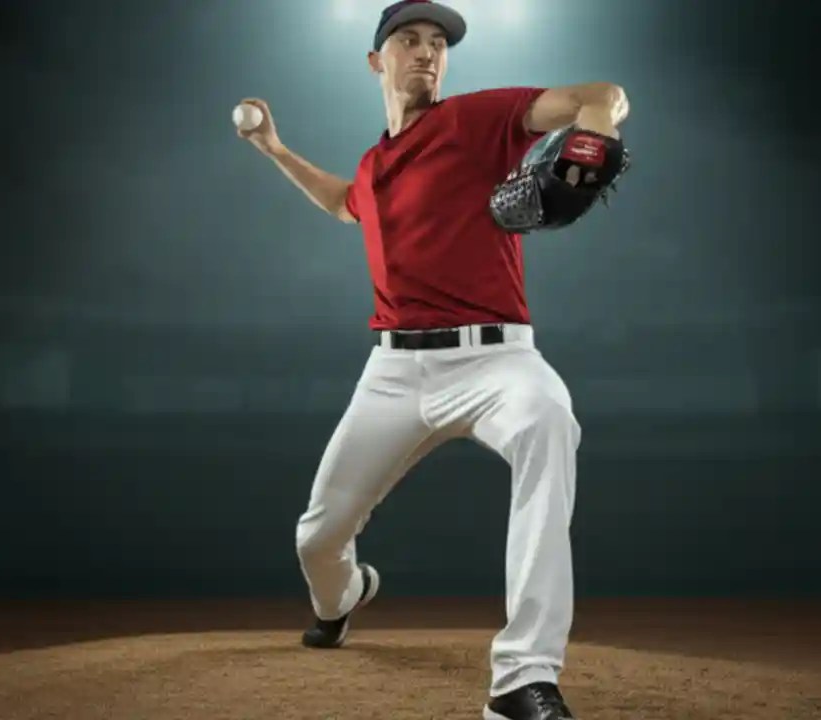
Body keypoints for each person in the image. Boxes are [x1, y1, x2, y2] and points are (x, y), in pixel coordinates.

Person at [236, 2, 629, 718]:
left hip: (497, 361)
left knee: (549, 421)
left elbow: (599, 96)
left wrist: (593, 138)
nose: (427, 51)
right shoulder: (374, 165)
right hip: (393, 374)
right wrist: (274, 149)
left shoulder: (476, 120)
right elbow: (343, 203)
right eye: (408, 39)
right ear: (375, 61)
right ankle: (344, 596)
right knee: (317, 539)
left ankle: (522, 676)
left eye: (438, 43)